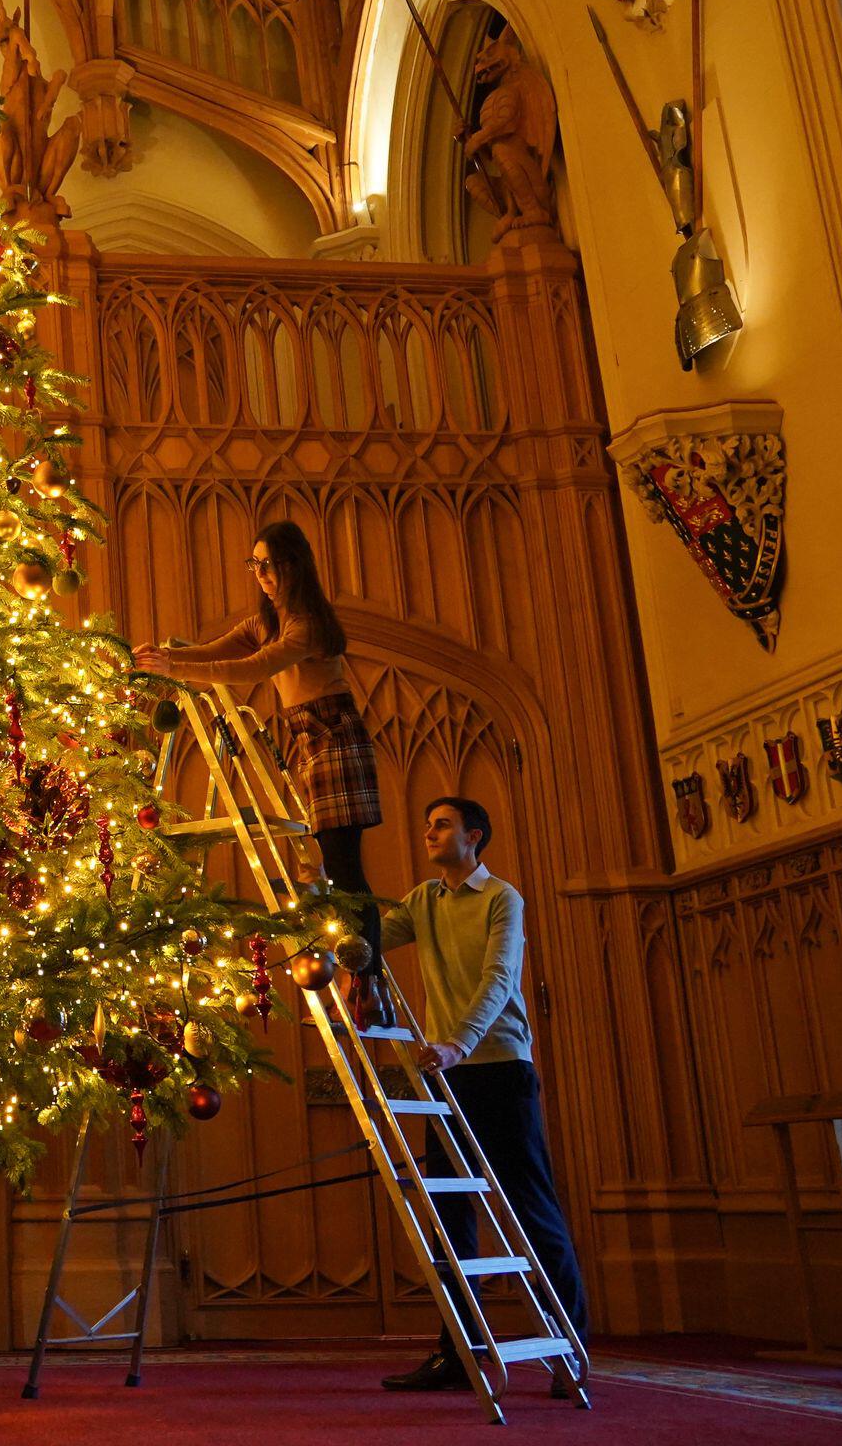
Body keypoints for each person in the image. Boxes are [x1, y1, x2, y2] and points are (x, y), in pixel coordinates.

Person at [377, 796, 591, 1397]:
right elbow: (368, 939)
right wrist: (321, 903)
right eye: (427, 824)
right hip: (449, 1077)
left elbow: (501, 978)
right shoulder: (422, 900)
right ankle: (458, 1354)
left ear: (474, 837)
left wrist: (457, 1044)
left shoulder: (504, 898)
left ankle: (570, 1349)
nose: (429, 832)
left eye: (442, 824)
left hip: (498, 1069)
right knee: (448, 1220)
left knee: (531, 1210)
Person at [135, 520, 387, 1016]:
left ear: (292, 566)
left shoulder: (306, 624)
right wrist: (168, 657)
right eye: (254, 565)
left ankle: (369, 982)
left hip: (334, 736)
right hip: (308, 738)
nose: (260, 575)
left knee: (343, 867)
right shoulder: (268, 619)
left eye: (267, 564)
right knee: (329, 867)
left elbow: (252, 668)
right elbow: (220, 651)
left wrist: (177, 667)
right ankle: (364, 979)